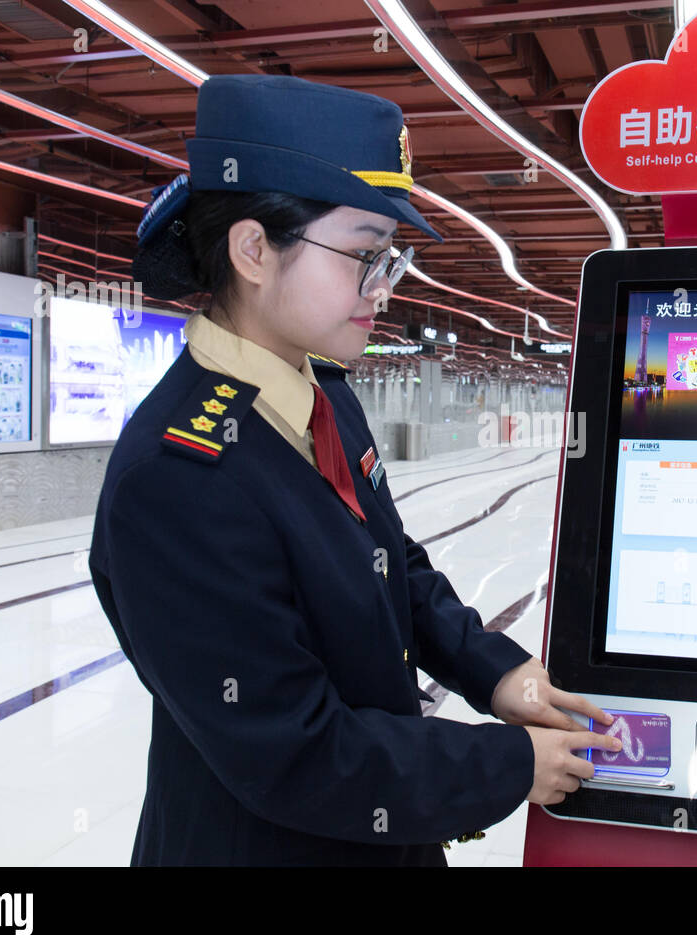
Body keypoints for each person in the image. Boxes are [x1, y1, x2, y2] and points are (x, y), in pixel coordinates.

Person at [88, 75, 621, 866]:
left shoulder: (324, 396)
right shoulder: (177, 479)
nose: (384, 290)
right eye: (365, 256)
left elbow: (390, 568)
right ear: (252, 250)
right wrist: (507, 764)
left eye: (389, 260)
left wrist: (500, 675)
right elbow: (289, 750)